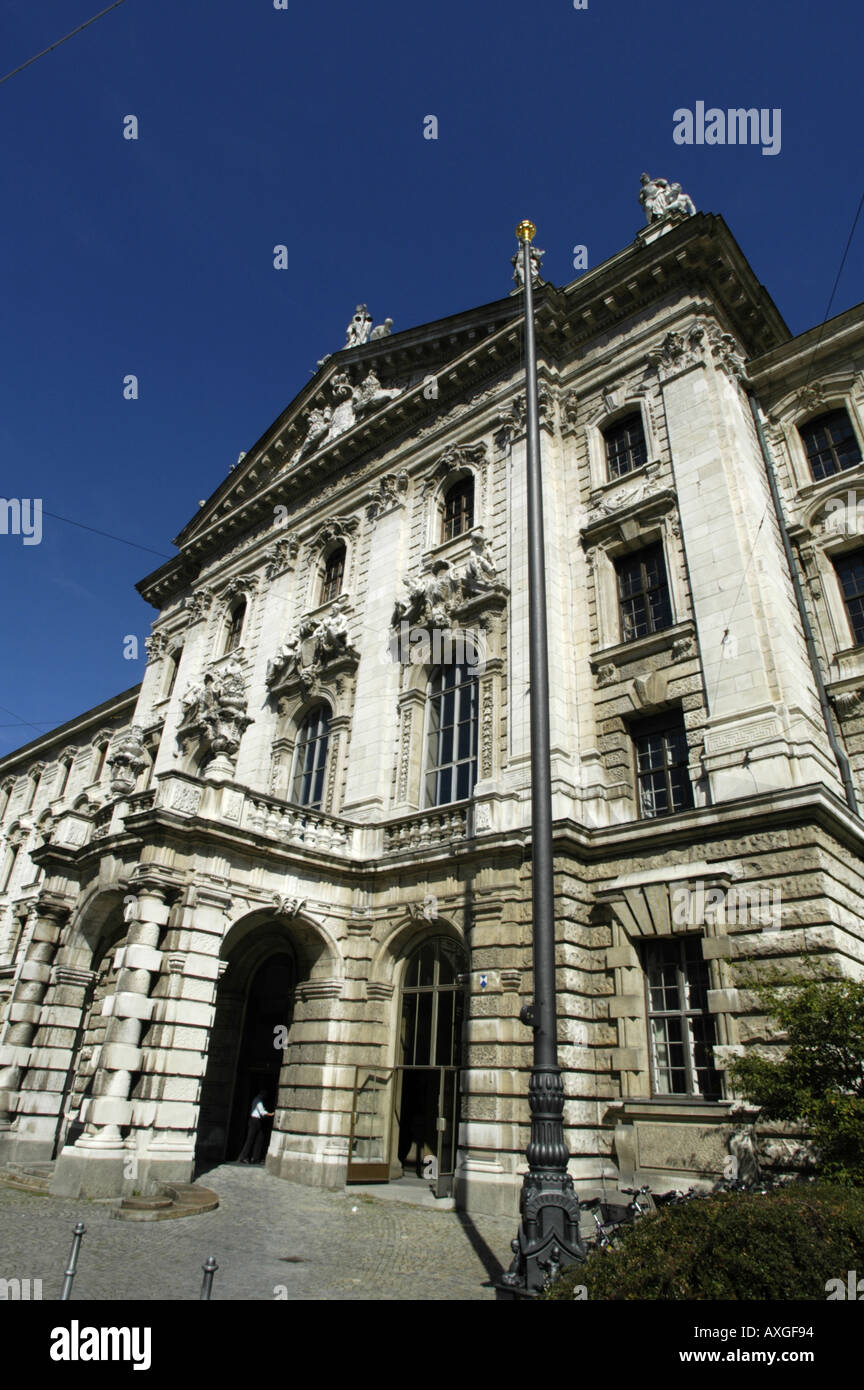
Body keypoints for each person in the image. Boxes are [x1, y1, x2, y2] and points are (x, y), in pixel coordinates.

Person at [237, 1090, 274, 1164]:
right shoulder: (258, 1101)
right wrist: (271, 1114)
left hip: (256, 1121)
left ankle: (255, 1157)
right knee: (251, 1139)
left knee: (259, 1139)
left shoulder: (257, 1099)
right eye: (265, 1094)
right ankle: (243, 1157)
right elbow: (262, 1112)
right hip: (255, 1121)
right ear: (263, 1094)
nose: (266, 1096)